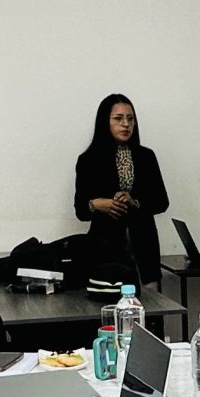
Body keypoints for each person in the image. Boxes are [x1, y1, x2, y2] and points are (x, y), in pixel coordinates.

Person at [71, 93, 170, 286]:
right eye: (118, 118)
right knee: (108, 306)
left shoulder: (146, 156)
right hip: (104, 247)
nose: (126, 124)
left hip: (143, 242)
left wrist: (135, 202)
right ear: (104, 122)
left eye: (130, 118)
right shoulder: (89, 160)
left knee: (151, 307)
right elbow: (80, 210)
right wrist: (96, 204)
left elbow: (162, 202)